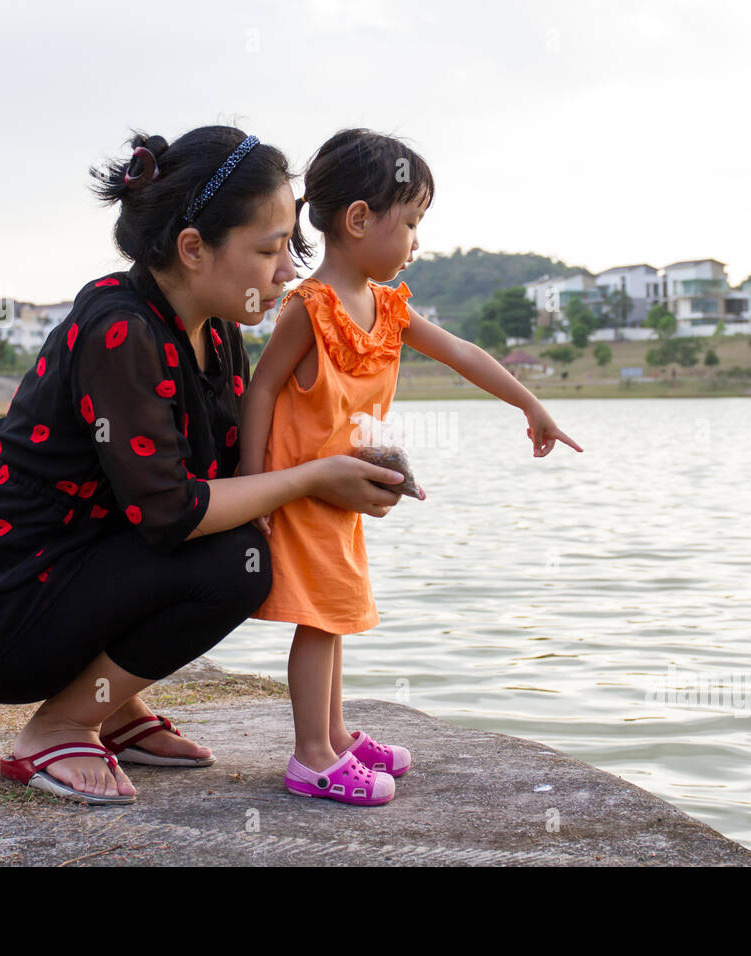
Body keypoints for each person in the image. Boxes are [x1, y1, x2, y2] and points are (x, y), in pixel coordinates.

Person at [0, 125, 406, 805]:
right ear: (193, 248)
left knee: (245, 545)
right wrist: (316, 478)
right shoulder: (121, 329)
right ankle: (60, 724)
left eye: (291, 247)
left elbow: (233, 474)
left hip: (69, 576)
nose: (288, 271)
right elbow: (171, 511)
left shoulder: (217, 330)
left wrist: (344, 463)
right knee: (239, 565)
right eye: (268, 250)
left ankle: (113, 710)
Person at [239, 129, 583, 806]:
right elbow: (261, 389)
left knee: (334, 611)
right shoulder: (311, 309)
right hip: (303, 488)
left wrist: (530, 404)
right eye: (413, 223)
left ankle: (332, 735)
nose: (418, 242)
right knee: (322, 618)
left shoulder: (386, 307)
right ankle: (311, 757)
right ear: (360, 219)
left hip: (343, 491)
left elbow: (462, 351)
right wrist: (257, 495)